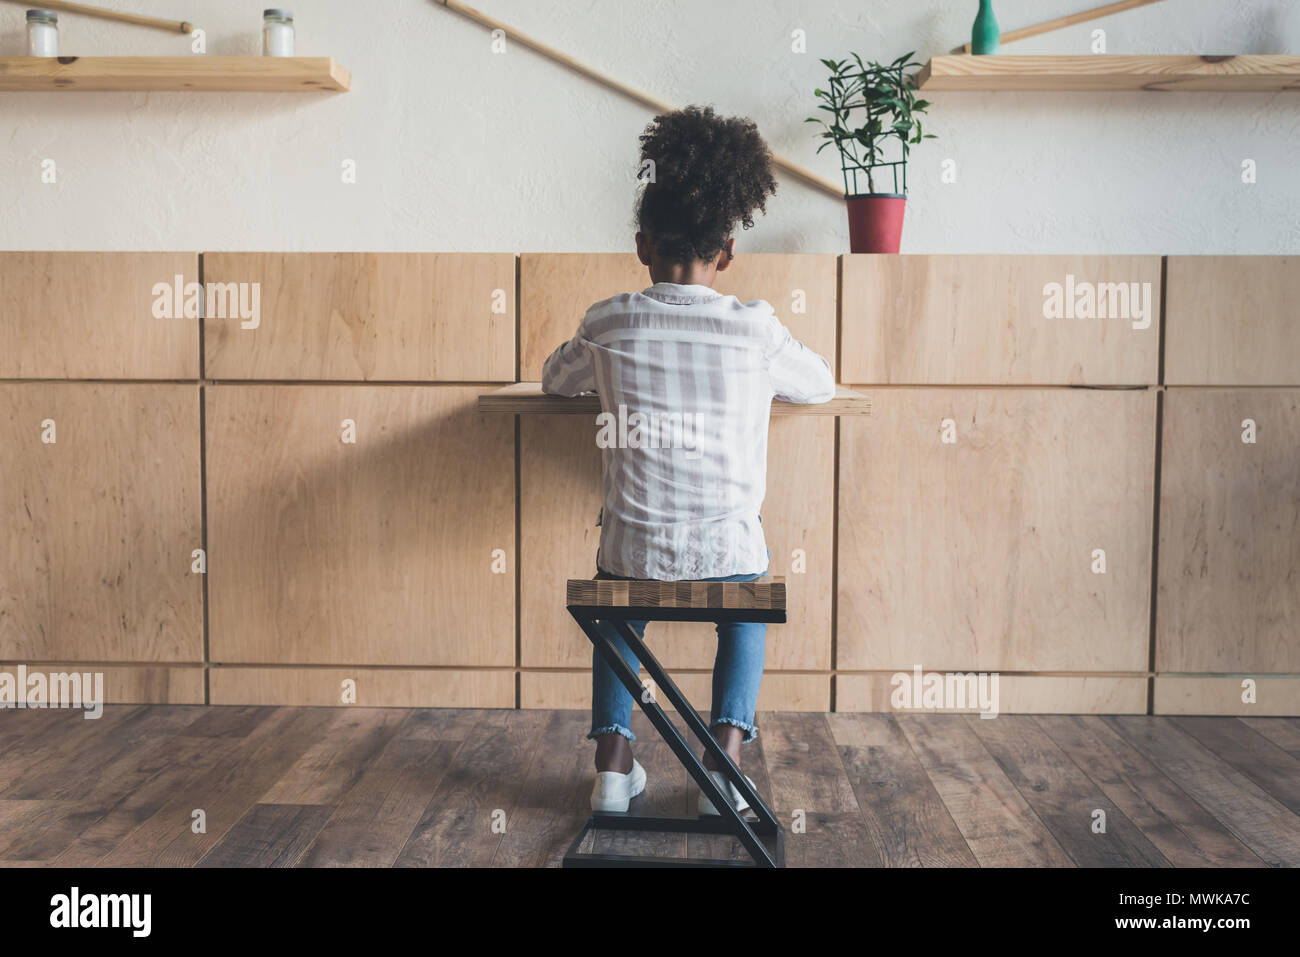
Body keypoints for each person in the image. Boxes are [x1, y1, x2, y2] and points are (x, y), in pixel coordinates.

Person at [541, 105, 835, 816]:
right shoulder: (754, 328)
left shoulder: (607, 320)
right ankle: (722, 766)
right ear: (728, 251)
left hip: (633, 549)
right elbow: (819, 381)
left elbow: (557, 379)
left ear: (642, 244)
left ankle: (614, 768)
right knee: (744, 611)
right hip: (727, 549)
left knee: (617, 612)